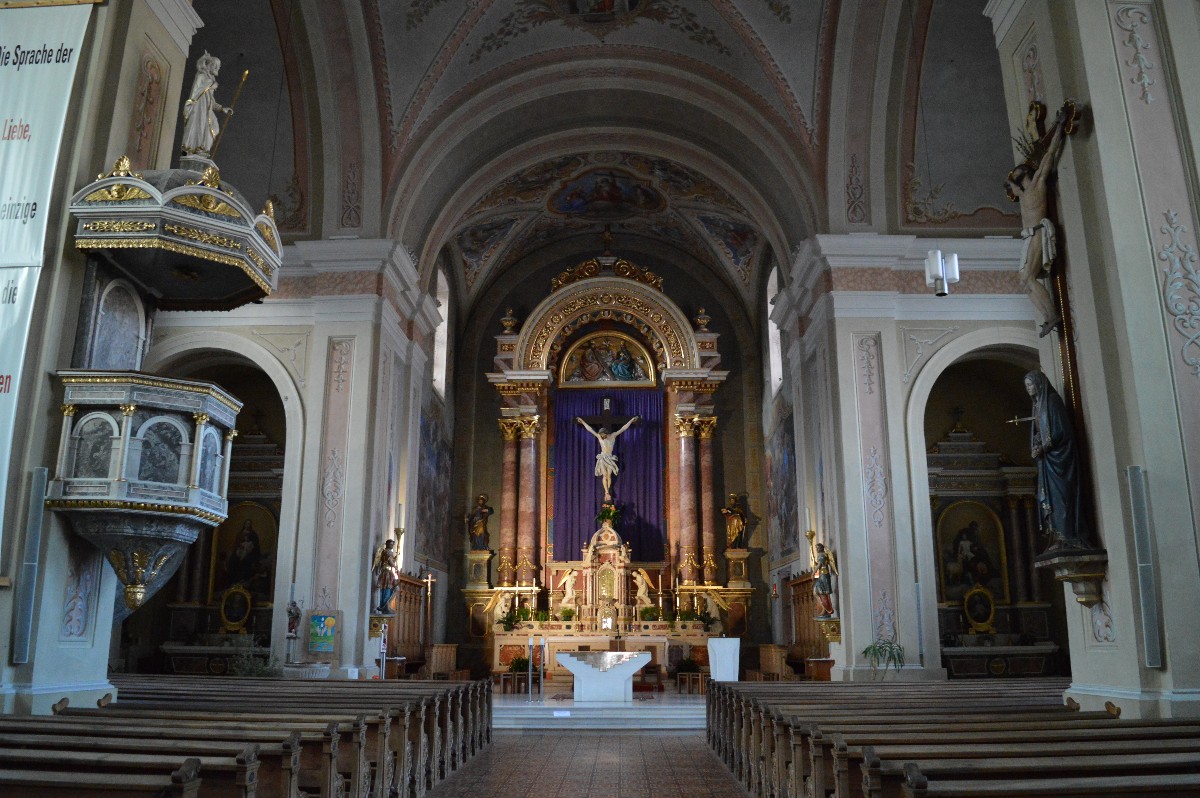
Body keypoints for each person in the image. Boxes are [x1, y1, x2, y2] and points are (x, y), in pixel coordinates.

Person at [1006, 108, 1069, 337]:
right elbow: (1010, 182)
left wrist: (1060, 127)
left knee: (1029, 277)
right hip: (1029, 235)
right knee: (1024, 282)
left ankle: (1052, 314)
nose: (1014, 175)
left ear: (1026, 173)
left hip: (1038, 232)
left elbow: (1048, 155)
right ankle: (1047, 316)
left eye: (1018, 173)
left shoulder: (1037, 184)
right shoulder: (1021, 192)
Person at [1025, 370, 1089, 550]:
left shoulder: (1052, 402)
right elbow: (1040, 433)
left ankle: (1069, 536)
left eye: (1030, 384)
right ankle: (1058, 537)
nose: (1029, 388)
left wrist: (1043, 447)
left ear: (1039, 383)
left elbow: (1061, 431)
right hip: (1047, 462)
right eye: (1026, 386)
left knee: (1062, 497)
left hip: (1060, 460)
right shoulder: (1037, 405)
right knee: (1050, 499)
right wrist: (1036, 445)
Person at [576, 414, 640, 501]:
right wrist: (583, 422)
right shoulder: (599, 437)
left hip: (610, 458)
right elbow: (590, 429)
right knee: (604, 475)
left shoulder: (612, 436)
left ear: (606, 433)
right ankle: (606, 492)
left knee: (609, 475)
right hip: (602, 458)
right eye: (601, 435)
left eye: (603, 435)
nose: (602, 437)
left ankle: (608, 491)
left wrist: (631, 420)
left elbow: (623, 428)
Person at [181, 52, 231, 157]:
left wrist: (222, 109)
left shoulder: (209, 79)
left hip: (206, 110)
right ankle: (197, 149)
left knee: (214, 127)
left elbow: (211, 101)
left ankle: (202, 149)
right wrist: (212, 84)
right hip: (198, 109)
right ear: (210, 65)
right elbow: (199, 91)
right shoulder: (202, 76)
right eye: (216, 66)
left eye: (219, 66)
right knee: (199, 128)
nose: (218, 68)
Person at [224, 520, 261, 589]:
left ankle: (244, 580)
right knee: (233, 559)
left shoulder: (253, 534)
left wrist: (250, 547)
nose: (247, 525)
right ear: (244, 524)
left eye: (249, 524)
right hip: (240, 550)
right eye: (246, 524)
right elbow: (236, 543)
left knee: (247, 560)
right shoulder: (240, 533)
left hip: (250, 552)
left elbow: (256, 545)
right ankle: (234, 580)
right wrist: (240, 546)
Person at [371, 538, 401, 613]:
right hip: (387, 573)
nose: (392, 546)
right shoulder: (388, 552)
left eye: (392, 545)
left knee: (390, 588)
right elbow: (390, 562)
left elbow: (390, 560)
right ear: (387, 544)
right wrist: (395, 566)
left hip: (387, 572)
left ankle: (385, 605)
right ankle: (385, 606)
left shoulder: (386, 552)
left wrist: (395, 558)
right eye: (391, 544)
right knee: (388, 588)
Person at [811, 541, 838, 618]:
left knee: (821, 591)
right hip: (822, 575)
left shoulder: (822, 555)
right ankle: (825, 609)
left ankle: (826, 609)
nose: (816, 549)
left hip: (824, 575)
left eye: (817, 548)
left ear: (820, 548)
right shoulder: (821, 555)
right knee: (817, 591)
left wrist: (813, 573)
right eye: (816, 548)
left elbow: (819, 565)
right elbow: (818, 564)